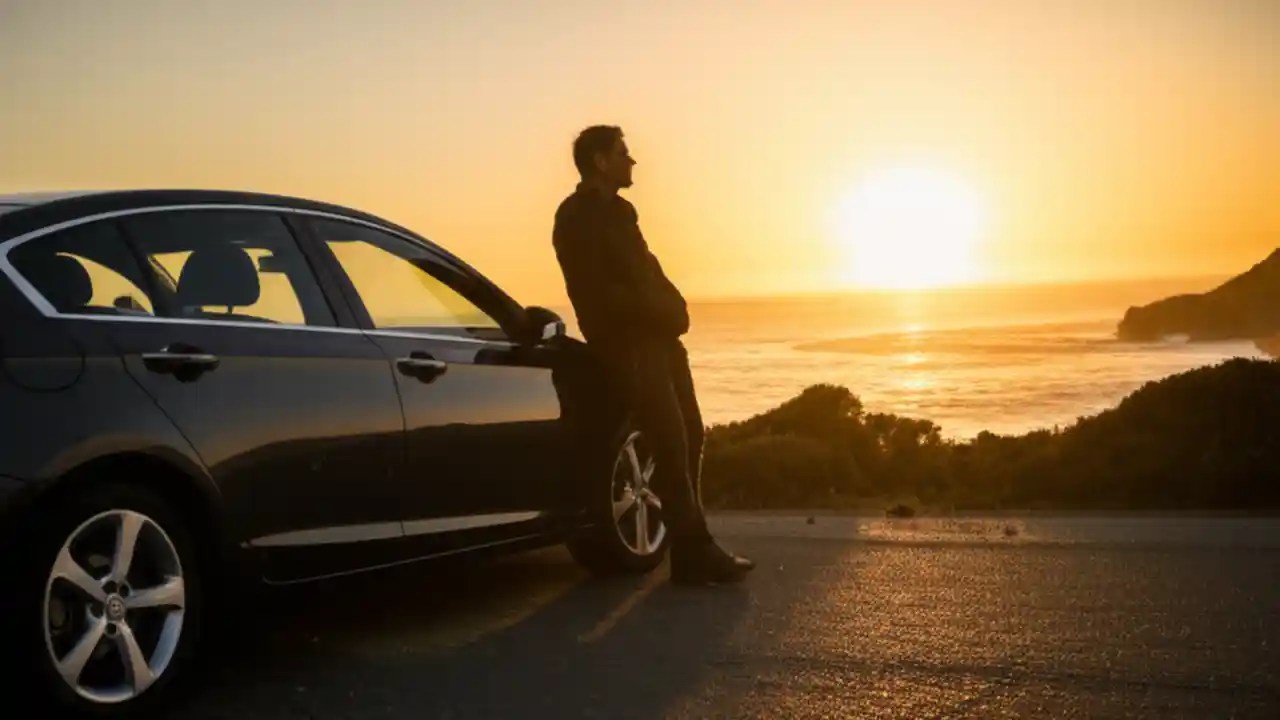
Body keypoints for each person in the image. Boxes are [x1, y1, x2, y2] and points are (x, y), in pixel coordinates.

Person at [552, 125, 754, 585]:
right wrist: (658, 312)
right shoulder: (576, 217)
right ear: (601, 161)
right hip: (627, 345)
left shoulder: (622, 212)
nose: (633, 161)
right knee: (669, 440)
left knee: (690, 432)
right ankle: (694, 549)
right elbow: (597, 293)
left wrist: (673, 308)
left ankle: (688, 547)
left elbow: (646, 270)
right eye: (624, 153)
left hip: (659, 339)